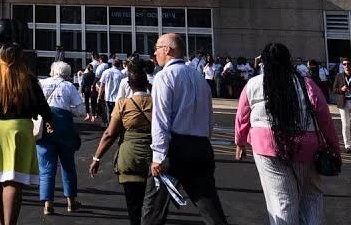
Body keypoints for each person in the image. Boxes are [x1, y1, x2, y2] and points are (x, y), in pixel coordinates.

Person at [235, 42, 341, 224]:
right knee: (311, 195)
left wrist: (240, 142)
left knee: (282, 200)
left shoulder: (253, 84)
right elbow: (325, 119)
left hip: (268, 146)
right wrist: (334, 147)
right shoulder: (305, 83)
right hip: (306, 145)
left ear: (264, 63)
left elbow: (242, 117)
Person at [143, 33, 229, 225]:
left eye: (157, 48)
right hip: (201, 146)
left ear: (168, 49)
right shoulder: (198, 77)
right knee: (210, 208)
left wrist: (158, 156)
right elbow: (209, 116)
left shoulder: (164, 77)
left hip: (176, 147)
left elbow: (161, 119)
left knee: (153, 211)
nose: (155, 53)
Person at [0, 44, 54, 225]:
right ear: (20, 58)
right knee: (14, 181)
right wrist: (48, 120)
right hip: (18, 129)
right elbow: (42, 105)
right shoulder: (27, 79)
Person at [90, 59, 155, 225]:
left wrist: (97, 158)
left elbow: (109, 134)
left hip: (129, 157)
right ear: (147, 83)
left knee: (133, 205)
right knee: (152, 206)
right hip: (154, 156)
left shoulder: (123, 104)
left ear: (129, 85)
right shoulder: (158, 103)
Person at [37, 61, 85, 215]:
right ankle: (71, 202)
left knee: (46, 168)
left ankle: (47, 204)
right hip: (64, 129)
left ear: (52, 71)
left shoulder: (42, 83)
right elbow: (80, 111)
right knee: (68, 166)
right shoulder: (69, 86)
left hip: (45, 128)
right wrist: (68, 108)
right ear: (67, 73)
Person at [335, 57, 351, 151]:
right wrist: (341, 89)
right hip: (343, 103)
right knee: (345, 125)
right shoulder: (339, 76)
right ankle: (348, 146)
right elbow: (334, 89)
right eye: (344, 64)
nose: (346, 66)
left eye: (348, 64)